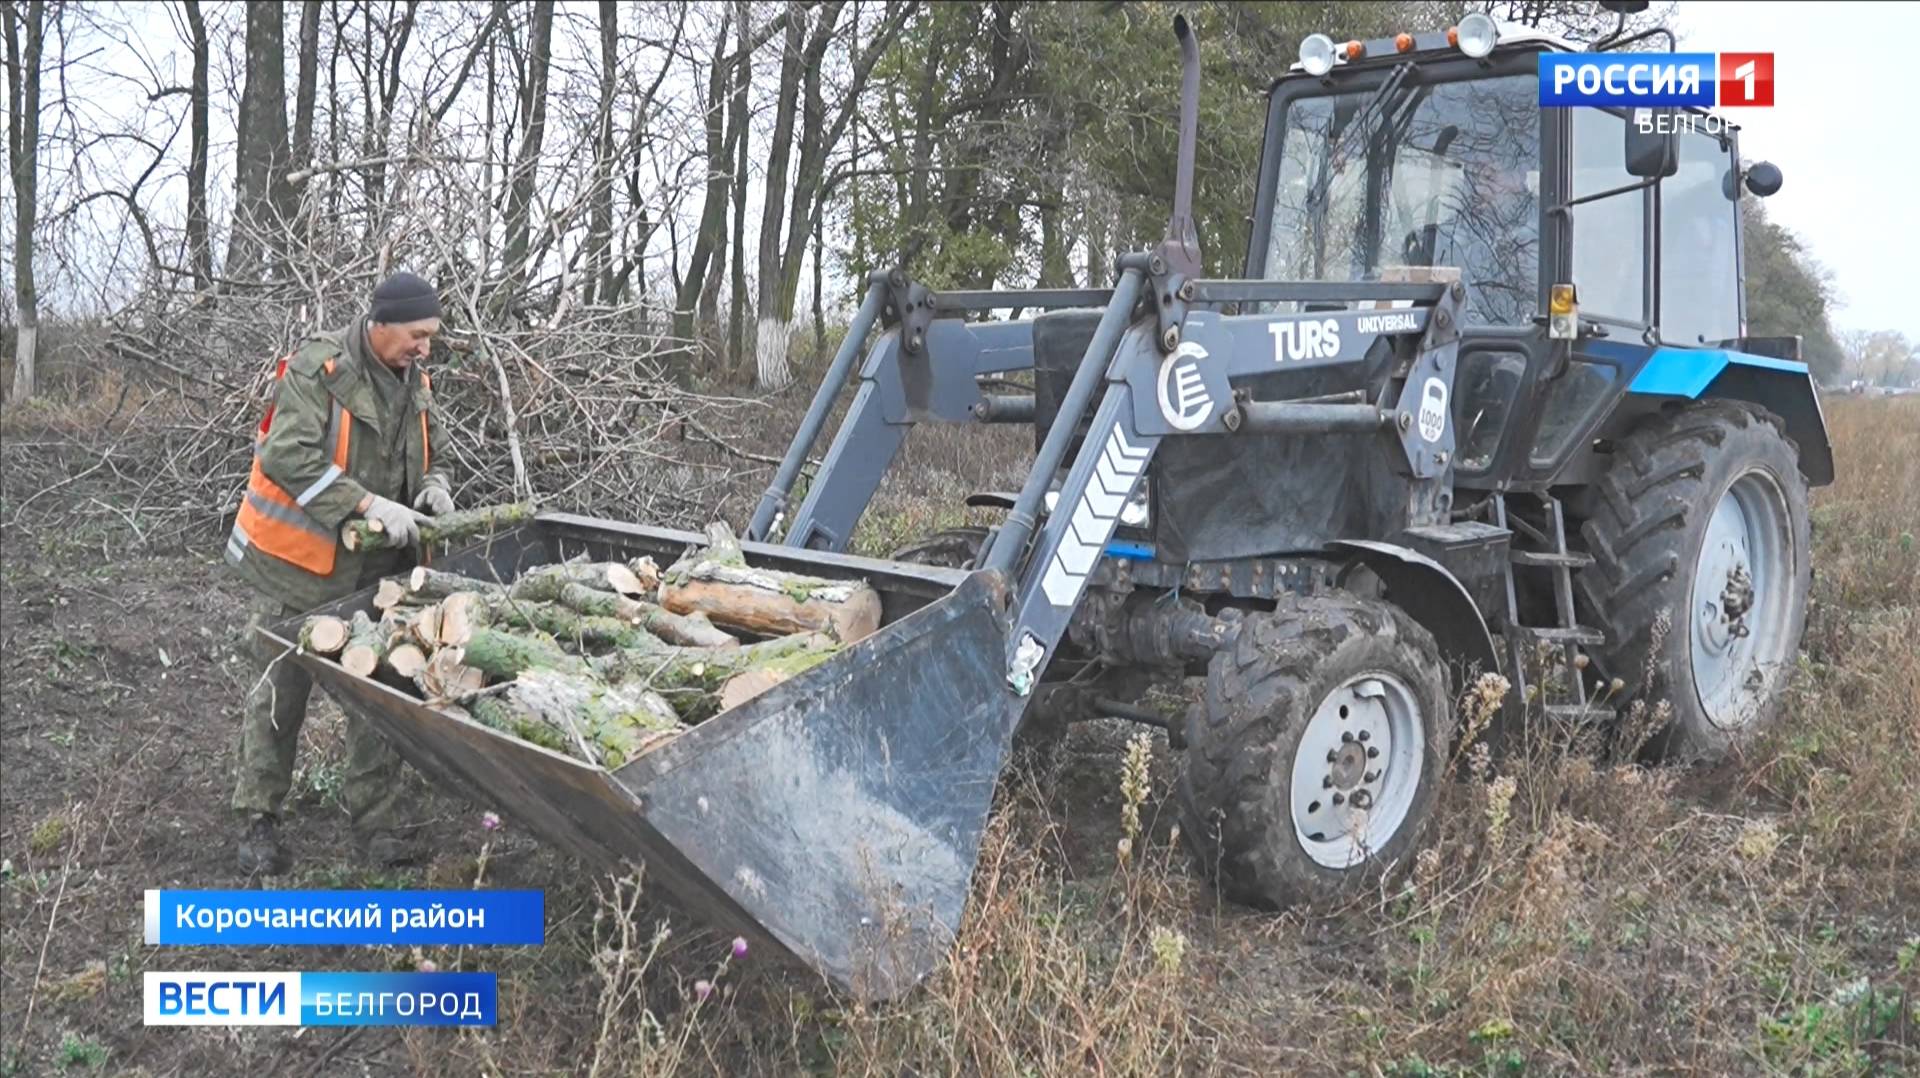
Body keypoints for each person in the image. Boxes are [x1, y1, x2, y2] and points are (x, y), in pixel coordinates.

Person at [224, 271, 454, 875]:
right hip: (300, 568)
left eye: (430, 335)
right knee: (280, 692)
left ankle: (378, 824)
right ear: (380, 324)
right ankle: (258, 819)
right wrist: (368, 504)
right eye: (417, 334)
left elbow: (435, 452)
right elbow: (286, 454)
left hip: (382, 570)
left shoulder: (415, 380)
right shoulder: (318, 370)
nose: (425, 347)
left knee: (381, 694)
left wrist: (434, 486)